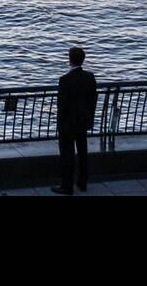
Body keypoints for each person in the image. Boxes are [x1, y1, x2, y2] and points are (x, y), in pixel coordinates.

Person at [52, 45, 98, 195]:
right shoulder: (90, 77)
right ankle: (82, 182)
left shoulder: (65, 80)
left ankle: (67, 186)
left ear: (70, 60)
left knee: (67, 155)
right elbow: (93, 100)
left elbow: (62, 105)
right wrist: (90, 117)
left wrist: (59, 124)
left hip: (68, 123)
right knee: (83, 151)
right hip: (83, 121)